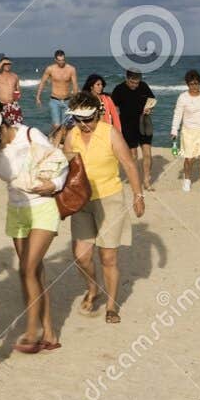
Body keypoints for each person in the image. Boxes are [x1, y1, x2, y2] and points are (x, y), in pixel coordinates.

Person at [0, 102, 66, 353]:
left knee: (27, 268)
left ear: (4, 126)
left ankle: (31, 330)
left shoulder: (30, 135)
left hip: (43, 207)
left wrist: (56, 184)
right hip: (16, 211)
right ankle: (48, 331)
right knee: (32, 272)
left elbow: (60, 162)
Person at [62, 91, 145, 323]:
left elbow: (128, 164)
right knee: (81, 255)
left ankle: (111, 305)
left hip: (110, 199)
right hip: (81, 201)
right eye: (78, 119)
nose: (83, 124)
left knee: (108, 257)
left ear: (97, 114)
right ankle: (93, 287)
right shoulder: (72, 135)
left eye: (87, 119)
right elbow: (65, 168)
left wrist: (138, 195)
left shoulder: (110, 133)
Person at [170, 69, 200, 193]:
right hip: (189, 131)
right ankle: (187, 180)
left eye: (197, 83)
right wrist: (174, 130)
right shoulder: (183, 97)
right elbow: (177, 114)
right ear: (187, 84)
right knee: (189, 159)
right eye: (192, 84)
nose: (194, 86)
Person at [109, 69, 157, 191]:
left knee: (147, 154)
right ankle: (134, 179)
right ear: (127, 79)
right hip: (127, 125)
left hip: (144, 123)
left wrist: (149, 108)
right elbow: (113, 107)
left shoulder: (143, 86)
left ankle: (146, 181)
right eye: (132, 82)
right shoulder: (119, 89)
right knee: (133, 155)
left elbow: (152, 100)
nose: (135, 85)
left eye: (137, 82)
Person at [36, 49, 78, 130]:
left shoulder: (71, 69)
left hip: (67, 100)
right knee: (56, 125)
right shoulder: (50, 69)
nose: (61, 62)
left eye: (63, 60)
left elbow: (75, 85)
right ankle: (54, 139)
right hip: (54, 100)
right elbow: (42, 82)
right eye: (59, 60)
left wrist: (76, 100)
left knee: (65, 126)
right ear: (55, 60)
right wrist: (38, 97)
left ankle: (61, 140)